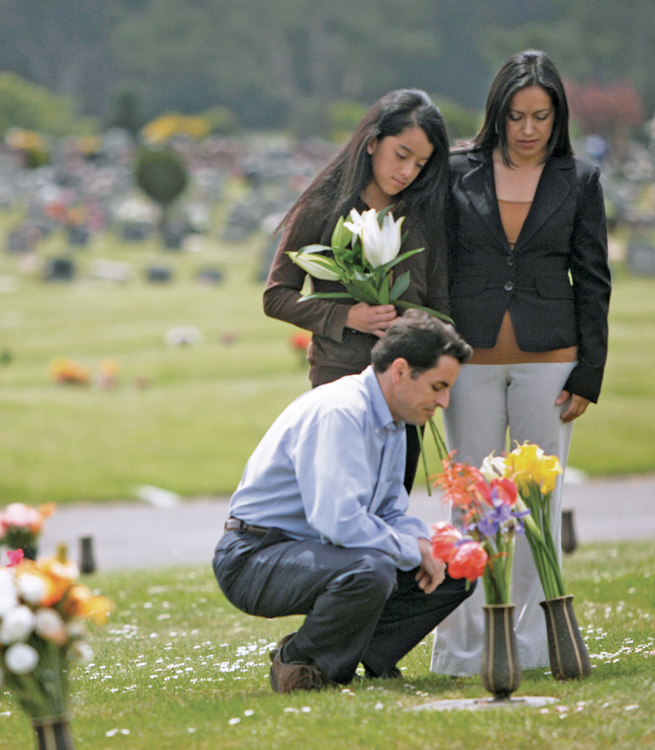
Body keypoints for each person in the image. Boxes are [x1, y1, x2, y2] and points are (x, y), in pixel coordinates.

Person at [429, 50, 612, 676]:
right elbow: (438, 265)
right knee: (470, 504)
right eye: (516, 116)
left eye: (540, 116)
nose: (528, 129)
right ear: (497, 114)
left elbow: (593, 280)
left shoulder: (580, 179)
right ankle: (462, 652)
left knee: (539, 506)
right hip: (469, 362)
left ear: (558, 117)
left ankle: (533, 648)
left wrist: (589, 372)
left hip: (552, 363)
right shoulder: (457, 172)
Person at [213, 311, 474, 693]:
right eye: (438, 386)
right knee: (371, 571)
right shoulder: (341, 412)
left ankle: (355, 654)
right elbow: (338, 523)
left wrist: (423, 543)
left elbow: (388, 512)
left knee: (457, 564)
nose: (444, 401)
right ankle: (301, 661)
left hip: (318, 550)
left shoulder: (395, 419)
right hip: (255, 554)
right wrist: (411, 548)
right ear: (400, 371)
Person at [264, 88, 451, 493]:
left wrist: (417, 335)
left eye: (420, 164)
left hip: (407, 385)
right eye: (401, 155)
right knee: (340, 500)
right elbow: (276, 295)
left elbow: (440, 305)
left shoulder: (424, 217)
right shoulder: (322, 207)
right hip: (339, 380)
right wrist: (347, 316)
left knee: (392, 503)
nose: (408, 172)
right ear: (371, 143)